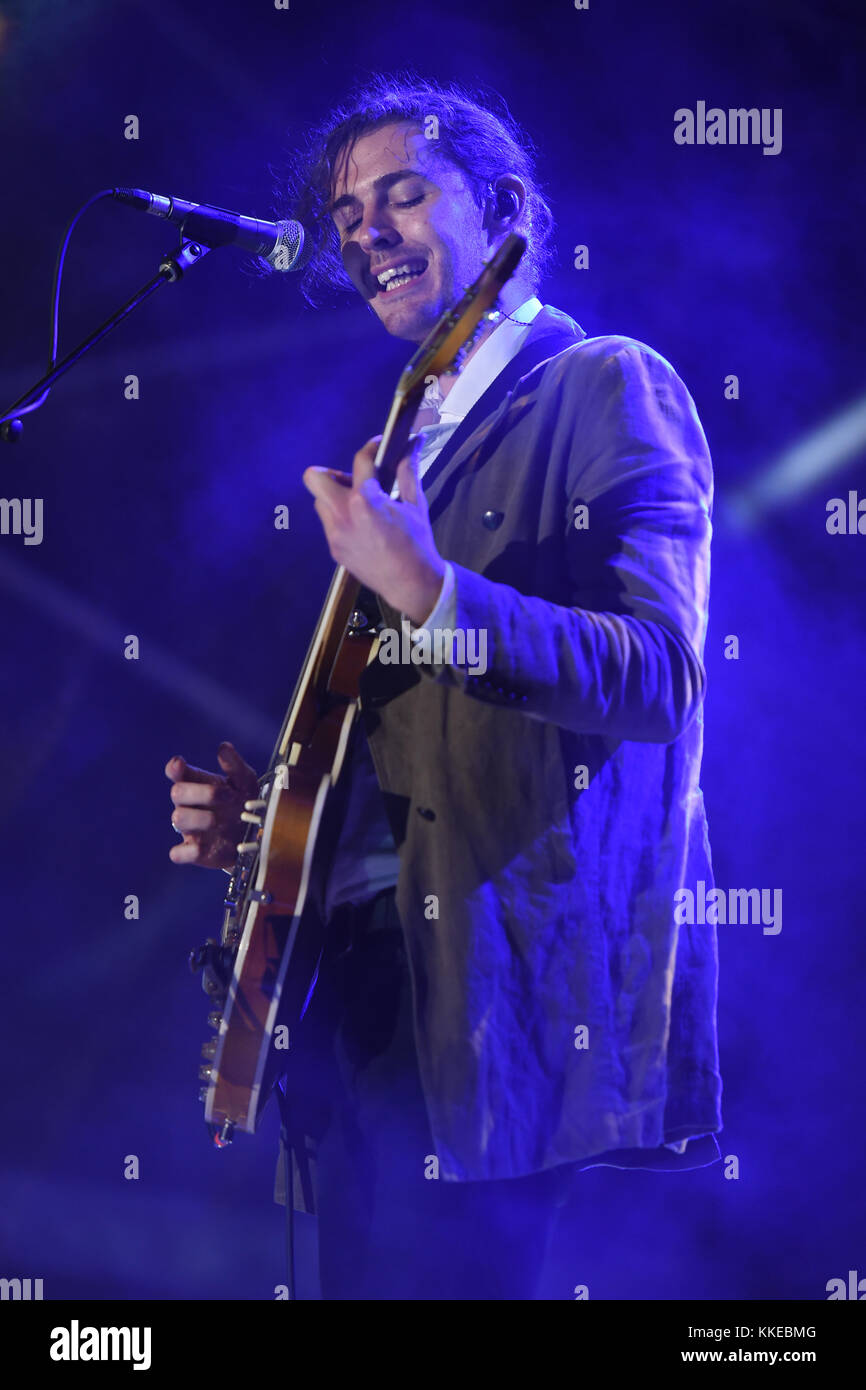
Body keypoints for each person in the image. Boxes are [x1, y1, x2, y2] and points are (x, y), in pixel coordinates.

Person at [165, 75, 723, 1301]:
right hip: (359, 990)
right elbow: (424, 745)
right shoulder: (405, 444)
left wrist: (431, 592)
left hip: (487, 1002)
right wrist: (280, 828)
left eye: (402, 195)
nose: (363, 230)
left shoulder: (606, 383)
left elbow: (660, 677)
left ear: (505, 207)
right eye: (345, 212)